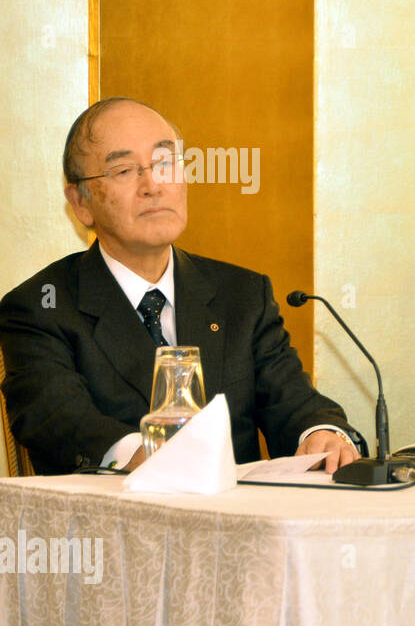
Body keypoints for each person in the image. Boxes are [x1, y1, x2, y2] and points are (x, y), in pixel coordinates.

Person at [0, 97, 362, 474]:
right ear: (80, 203)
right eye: (124, 170)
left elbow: (293, 402)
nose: (153, 185)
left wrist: (320, 432)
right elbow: (58, 420)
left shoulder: (242, 294)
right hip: (115, 522)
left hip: (239, 522)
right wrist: (145, 454)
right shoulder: (41, 307)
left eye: (164, 163)